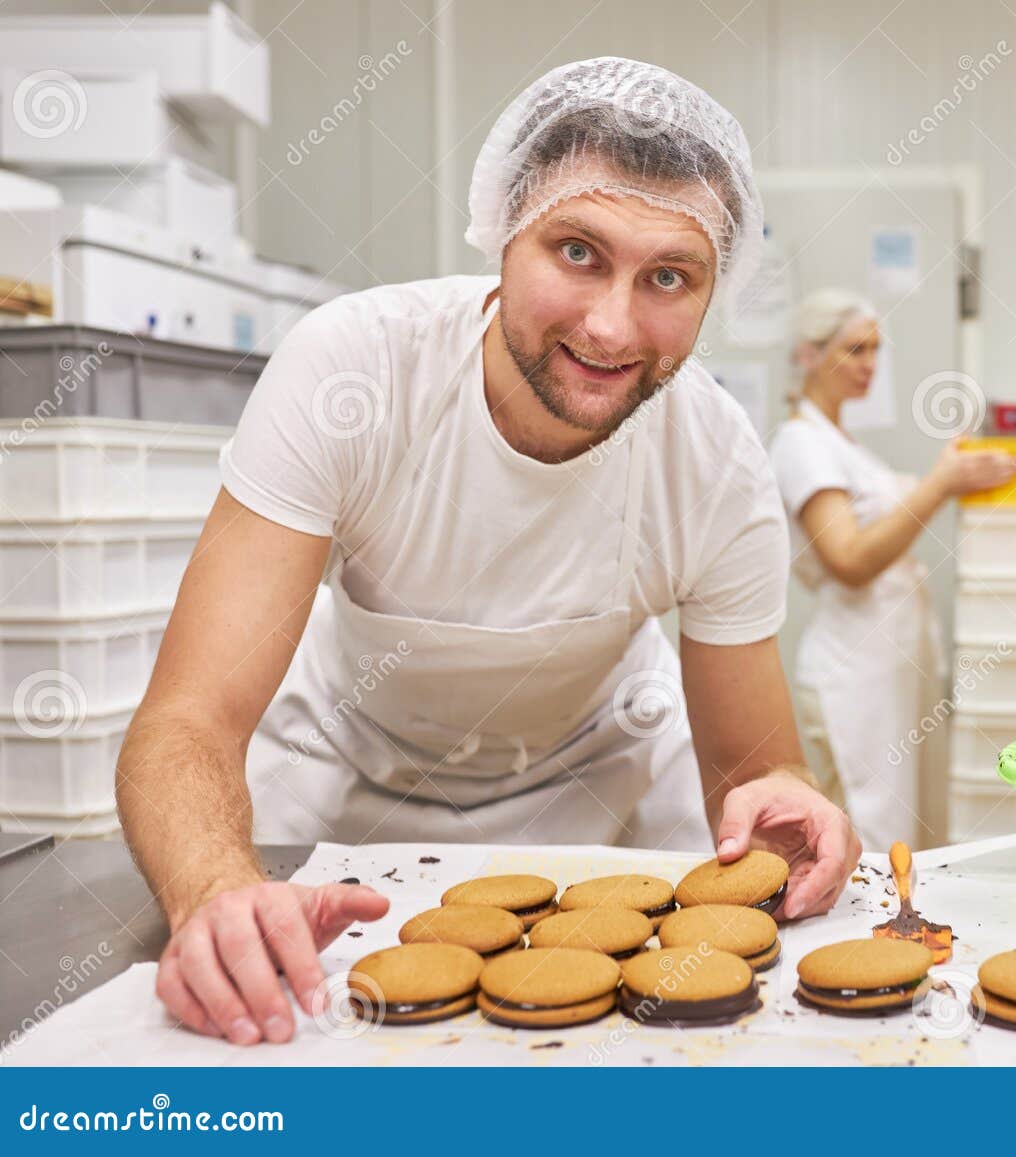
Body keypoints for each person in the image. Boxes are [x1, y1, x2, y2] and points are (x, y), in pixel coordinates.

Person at [115, 58, 861, 1047]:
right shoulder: (355, 371)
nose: (609, 325)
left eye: (668, 276)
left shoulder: (715, 460)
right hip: (342, 788)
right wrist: (218, 883)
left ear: (715, 286)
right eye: (577, 251)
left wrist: (790, 811)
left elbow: (753, 771)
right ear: (503, 231)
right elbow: (186, 719)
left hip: (602, 812)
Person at [766, 290, 1016, 850]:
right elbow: (850, 561)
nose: (869, 365)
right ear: (809, 355)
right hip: (856, 671)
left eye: (876, 349)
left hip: (890, 668)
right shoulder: (801, 445)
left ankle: (905, 935)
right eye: (854, 349)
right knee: (874, 838)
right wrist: (940, 485)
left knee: (909, 830)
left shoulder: (843, 444)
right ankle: (871, 940)